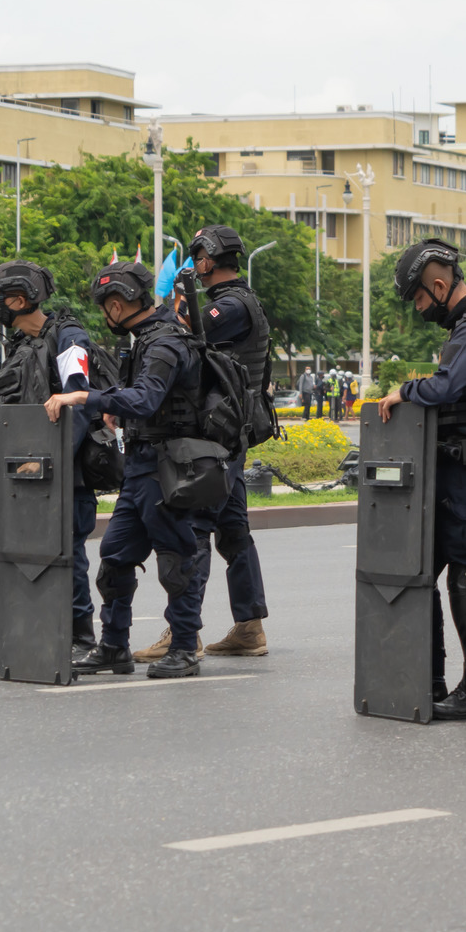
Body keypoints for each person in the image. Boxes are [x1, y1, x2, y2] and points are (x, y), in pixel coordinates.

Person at [47, 261, 215, 679]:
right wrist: (115, 410)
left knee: (176, 560)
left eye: (107, 306)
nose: (106, 314)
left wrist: (85, 398)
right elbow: (139, 401)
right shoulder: (146, 341)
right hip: (141, 467)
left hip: (166, 467)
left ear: (118, 305)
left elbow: (144, 399)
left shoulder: (163, 343)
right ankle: (114, 648)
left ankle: (183, 649)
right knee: (115, 557)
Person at [378, 237, 466, 720]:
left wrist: (404, 389)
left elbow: (447, 387)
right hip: (459, 468)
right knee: (435, 570)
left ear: (439, 285)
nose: (419, 308)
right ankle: (435, 678)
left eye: (419, 298)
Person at [167, 223, 272, 659]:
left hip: (217, 434)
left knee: (194, 529)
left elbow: (183, 333)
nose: (194, 266)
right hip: (230, 431)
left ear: (208, 260)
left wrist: (176, 302)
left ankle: (183, 634)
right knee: (233, 531)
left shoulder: (229, 305)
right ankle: (249, 627)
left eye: (196, 258)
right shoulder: (236, 301)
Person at [0, 260, 100, 656]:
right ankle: (39, 632)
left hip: (65, 472)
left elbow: (80, 402)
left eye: (1, 298)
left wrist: (49, 461)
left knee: (67, 552)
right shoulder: (22, 344)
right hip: (26, 471)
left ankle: (81, 639)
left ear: (19, 299)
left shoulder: (68, 338)